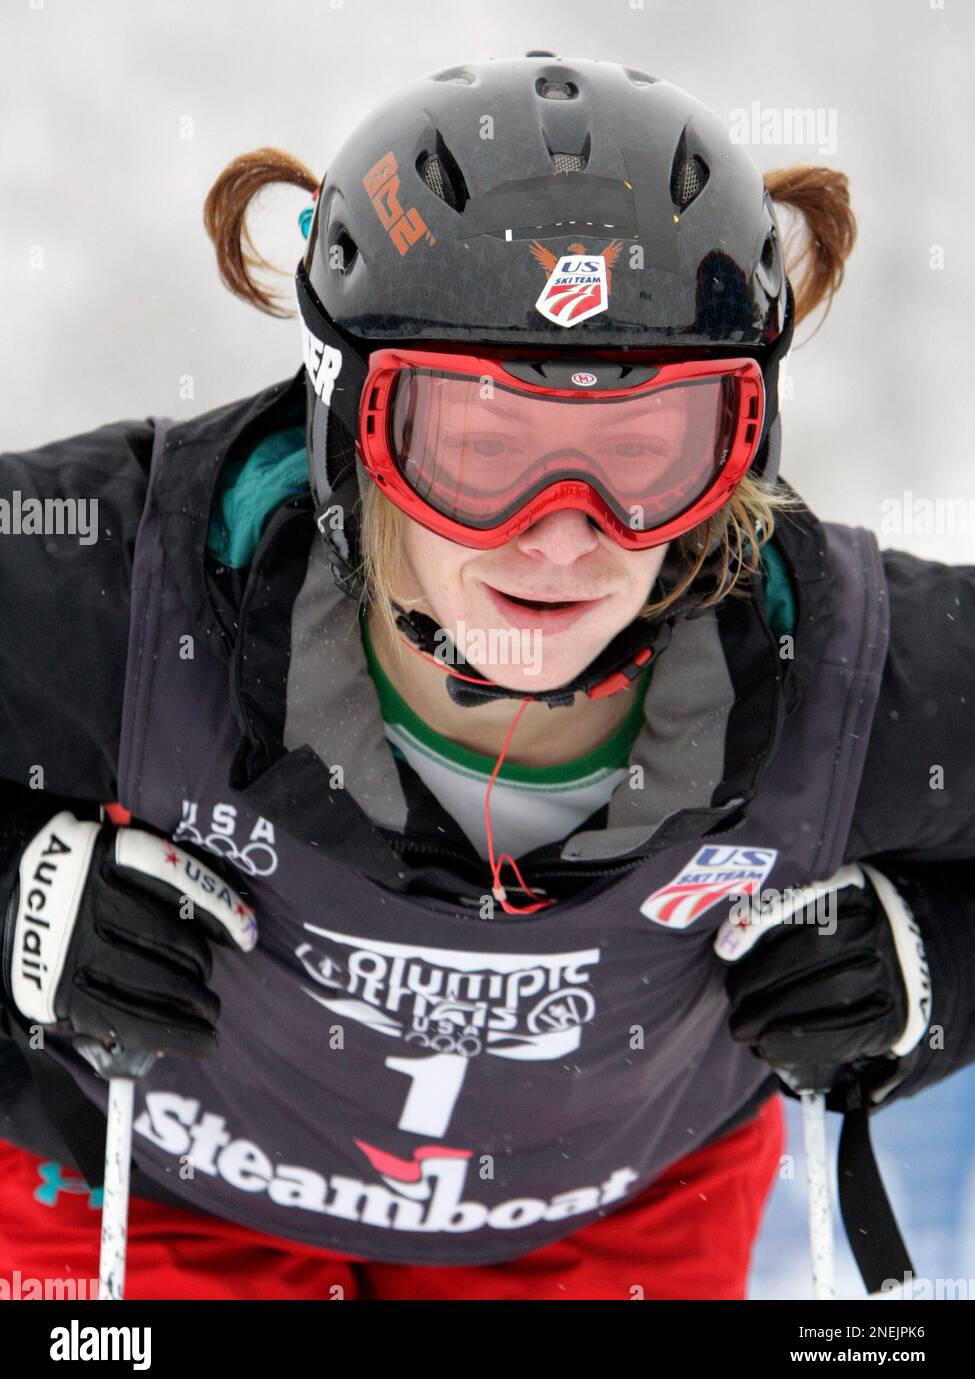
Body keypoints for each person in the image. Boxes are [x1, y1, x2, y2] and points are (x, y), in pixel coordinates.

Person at [0, 52, 972, 1303]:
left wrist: (932, 977)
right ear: (349, 425)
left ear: (742, 448)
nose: (562, 531)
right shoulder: (111, 596)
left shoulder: (840, 676)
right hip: (143, 1182)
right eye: (478, 446)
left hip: (609, 1215)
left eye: (643, 450)